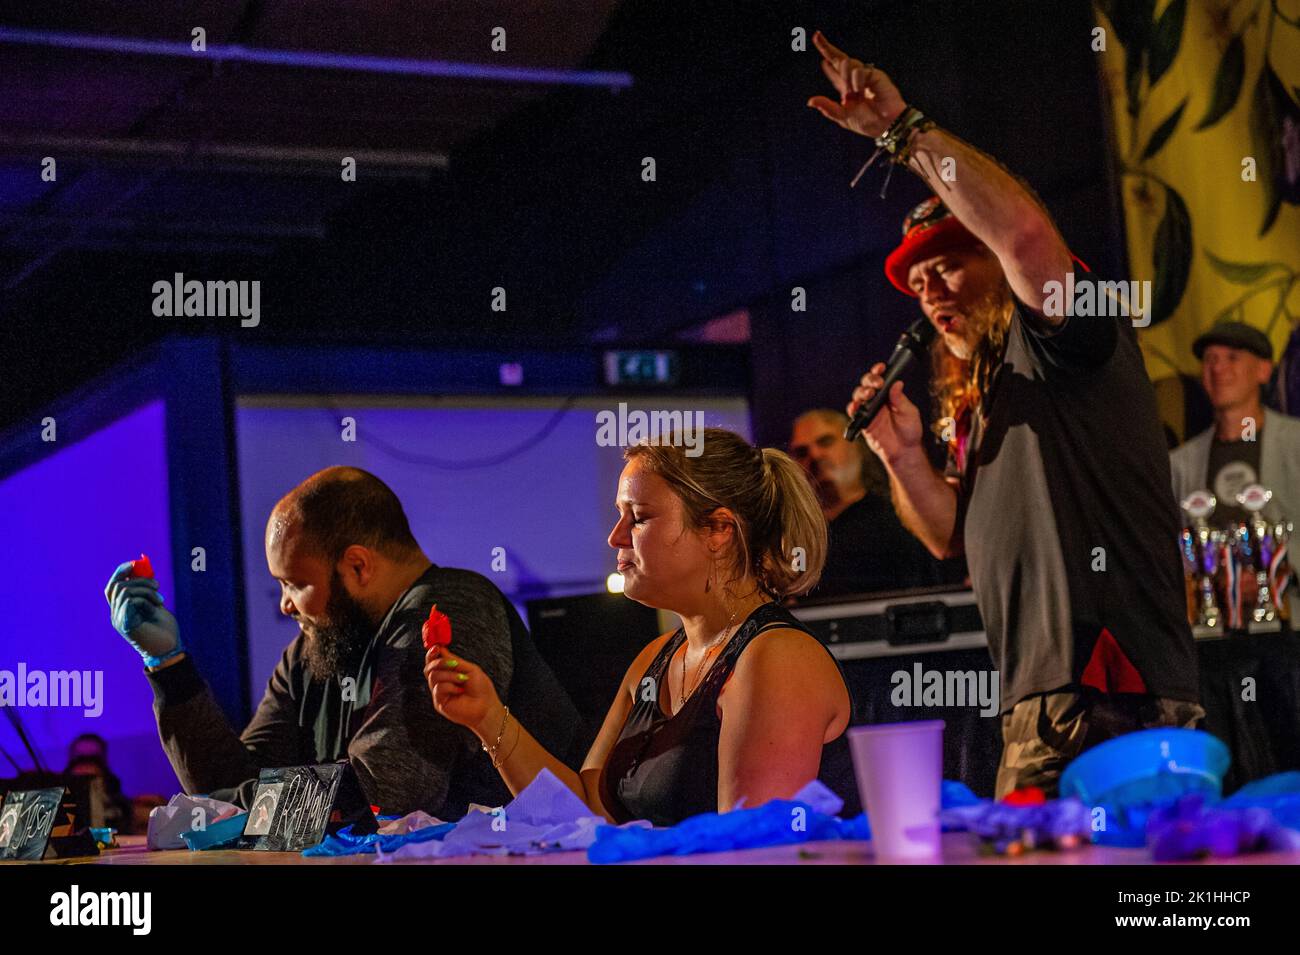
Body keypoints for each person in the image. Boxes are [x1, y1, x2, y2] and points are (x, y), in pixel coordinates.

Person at [809, 31, 1202, 797]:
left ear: (995, 260)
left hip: (1111, 692)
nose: (929, 289)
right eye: (917, 280)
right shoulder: (991, 393)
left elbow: (1022, 232)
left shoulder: (1065, 333)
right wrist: (901, 456)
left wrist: (902, 132)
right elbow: (948, 534)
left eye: (949, 262)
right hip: (1040, 702)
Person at [425, 429, 860, 826]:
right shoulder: (654, 659)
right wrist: (487, 717)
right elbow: (584, 816)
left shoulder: (776, 657)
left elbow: (751, 848)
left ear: (718, 530)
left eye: (638, 517)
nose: (615, 536)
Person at [104, 466, 585, 818]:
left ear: (357, 566)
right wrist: (168, 665)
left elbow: (385, 792)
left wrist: (227, 807)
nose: (286, 606)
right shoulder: (313, 652)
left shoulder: (450, 609)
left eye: (294, 583)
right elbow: (229, 784)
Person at [1169, 321, 1300, 622]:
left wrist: (1280, 571)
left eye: (1232, 357)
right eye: (1210, 359)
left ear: (1264, 370)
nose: (1218, 368)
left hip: (1290, 630)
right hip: (1213, 636)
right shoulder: (1179, 464)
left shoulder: (1295, 445)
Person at [789, 408, 948, 596]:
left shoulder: (899, 520)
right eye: (801, 452)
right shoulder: (788, 534)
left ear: (856, 445)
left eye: (826, 442)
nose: (815, 455)